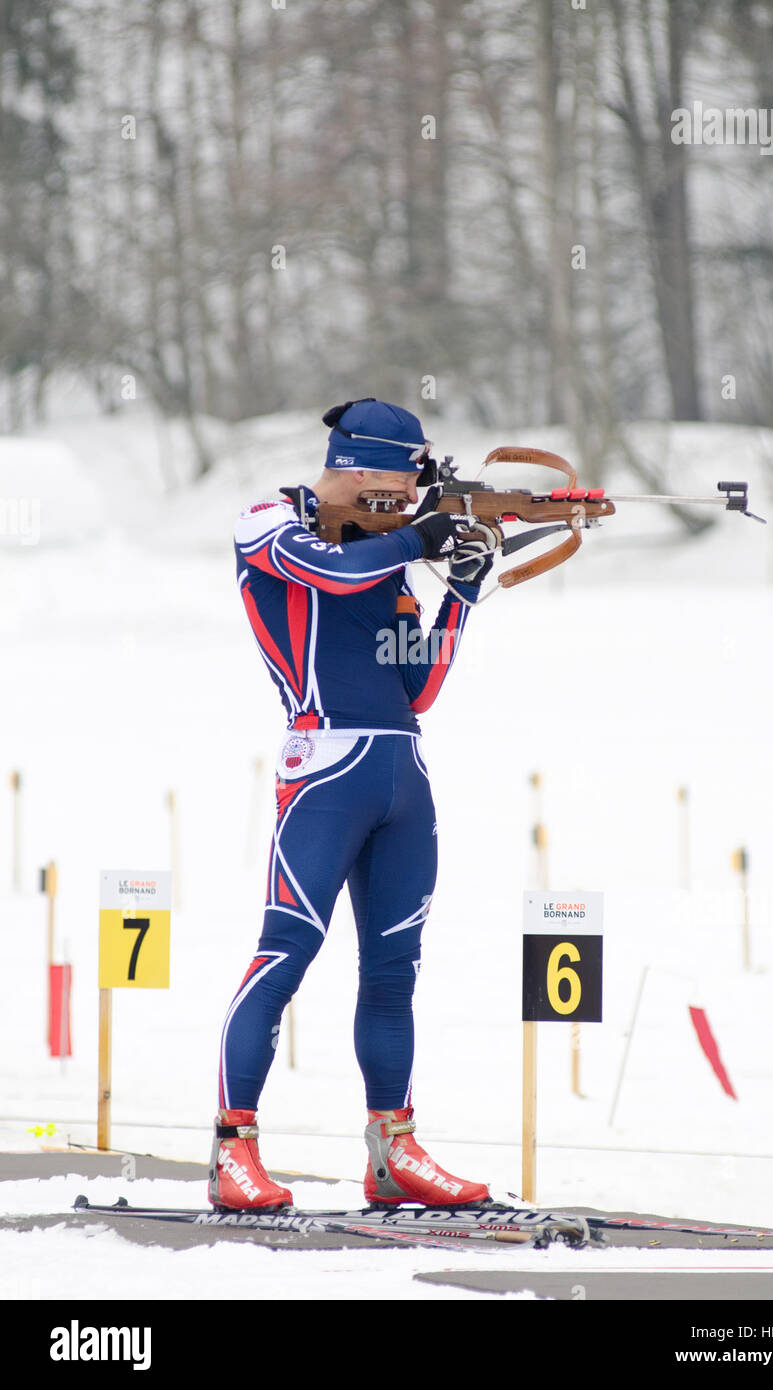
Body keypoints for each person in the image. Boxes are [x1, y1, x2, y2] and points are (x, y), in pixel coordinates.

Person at [208, 398, 494, 1212]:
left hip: (402, 770)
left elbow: (420, 687)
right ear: (362, 466)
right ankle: (234, 1149)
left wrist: (462, 592)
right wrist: (420, 537)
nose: (411, 493)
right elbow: (327, 572)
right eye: (405, 477)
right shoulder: (268, 522)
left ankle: (392, 1150)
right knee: (285, 953)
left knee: (394, 971)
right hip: (324, 766)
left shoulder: (382, 554)